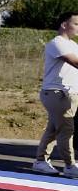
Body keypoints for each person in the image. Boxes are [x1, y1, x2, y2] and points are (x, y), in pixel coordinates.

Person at [31, 11, 78, 177]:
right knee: (66, 130)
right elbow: (75, 62)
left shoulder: (73, 45)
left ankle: (41, 161)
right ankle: (70, 166)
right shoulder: (57, 43)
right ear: (64, 25)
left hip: (67, 94)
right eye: (76, 24)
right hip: (58, 94)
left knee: (53, 129)